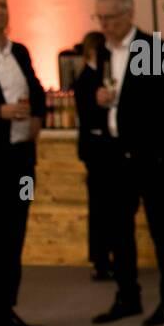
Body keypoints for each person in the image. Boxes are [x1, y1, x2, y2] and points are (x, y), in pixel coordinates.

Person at [83, 0, 164, 326]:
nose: (105, 24)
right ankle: (126, 295)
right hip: (112, 156)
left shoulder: (154, 49)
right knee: (118, 229)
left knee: (163, 231)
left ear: (129, 14)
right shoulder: (98, 51)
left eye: (111, 17)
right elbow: (85, 96)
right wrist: (95, 98)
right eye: (100, 18)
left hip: (152, 158)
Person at [0, 0, 47, 326]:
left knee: (14, 234)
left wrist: (37, 115)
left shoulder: (18, 50)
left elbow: (36, 90)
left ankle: (5, 308)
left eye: (2, 5)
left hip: (20, 157)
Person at [72, 31, 114, 282]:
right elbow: (91, 116)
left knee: (104, 207)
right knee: (100, 207)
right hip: (97, 151)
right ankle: (100, 260)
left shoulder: (92, 77)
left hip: (99, 151)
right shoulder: (88, 79)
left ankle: (103, 259)